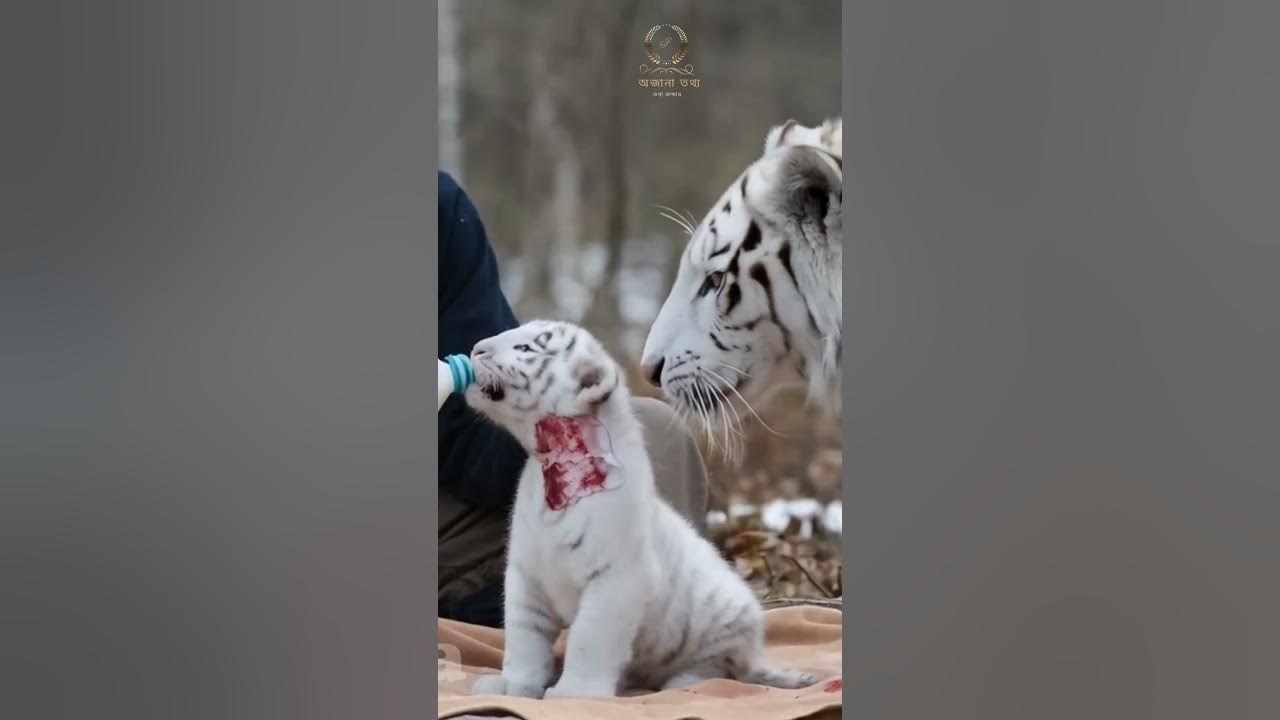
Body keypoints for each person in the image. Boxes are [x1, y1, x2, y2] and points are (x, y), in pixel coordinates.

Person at [438, 171, 711, 627]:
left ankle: (656, 645)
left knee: (650, 435)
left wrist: (553, 424)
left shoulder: (438, 209)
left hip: (454, 514)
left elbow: (470, 441)